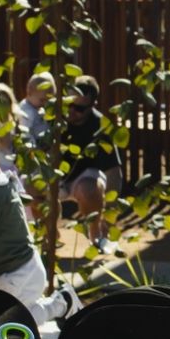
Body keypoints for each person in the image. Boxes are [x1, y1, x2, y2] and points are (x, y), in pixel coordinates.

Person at [0, 125, 81, 326]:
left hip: (17, 272)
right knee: (14, 316)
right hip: (21, 269)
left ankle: (60, 304)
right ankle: (62, 302)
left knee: (6, 321)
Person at [62, 76, 125, 255]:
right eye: (69, 105)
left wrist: (109, 218)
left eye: (80, 108)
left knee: (89, 188)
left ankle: (96, 233)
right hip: (55, 177)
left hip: (80, 179)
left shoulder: (100, 126)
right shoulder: (54, 119)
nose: (72, 112)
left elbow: (113, 173)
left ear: (92, 105)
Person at [15, 71, 55, 147]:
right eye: (42, 100)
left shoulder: (37, 107)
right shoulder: (26, 112)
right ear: (29, 92)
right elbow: (26, 135)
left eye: (48, 100)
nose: (45, 103)